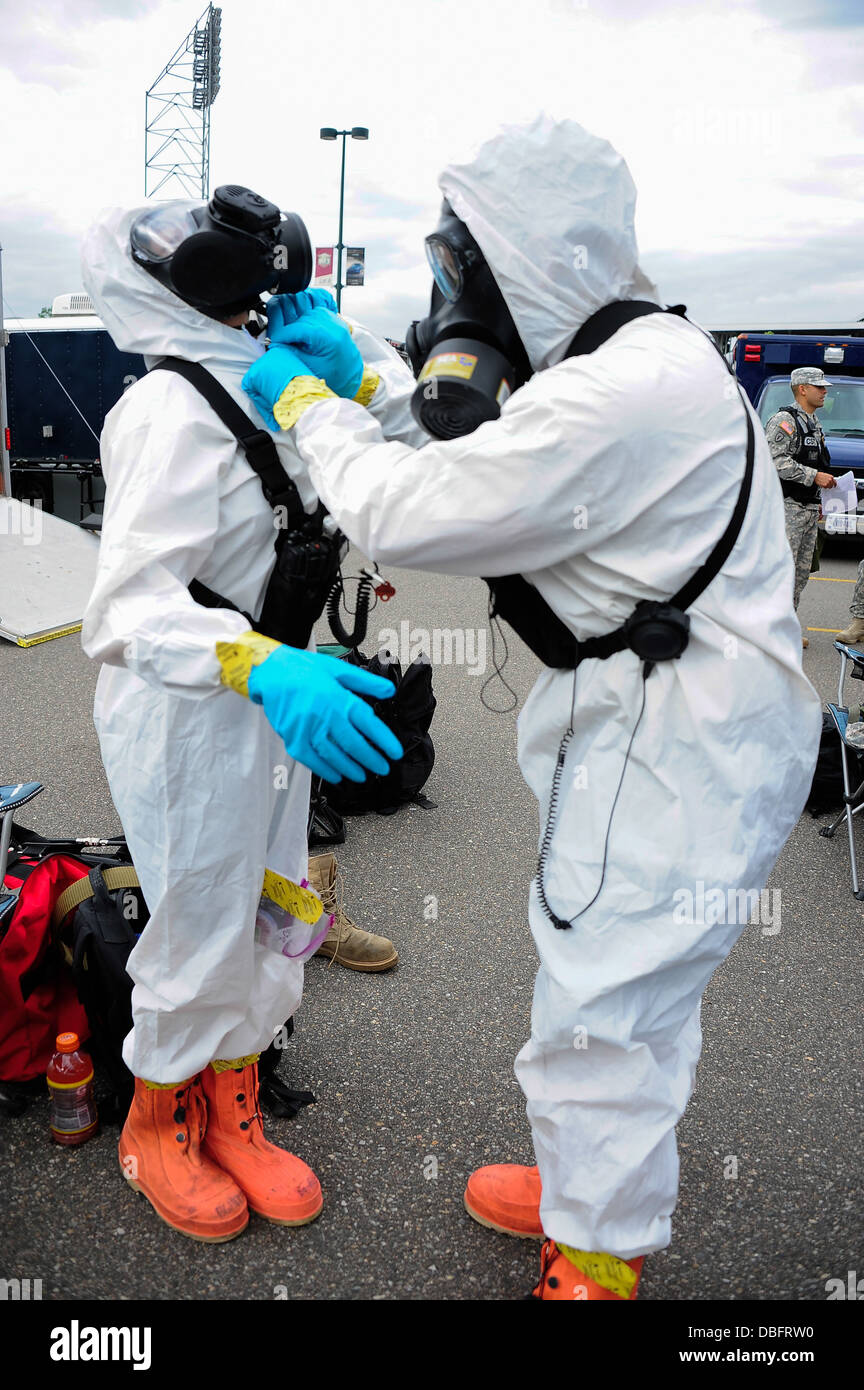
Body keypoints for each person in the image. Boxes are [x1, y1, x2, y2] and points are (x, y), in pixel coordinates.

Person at [242, 117, 822, 1298]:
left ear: (528, 258)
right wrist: (371, 380)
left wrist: (309, 403)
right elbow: (491, 455)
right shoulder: (634, 362)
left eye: (462, 263)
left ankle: (594, 1262)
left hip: (670, 756)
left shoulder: (619, 396)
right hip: (691, 733)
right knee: (636, 1001)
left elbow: (410, 511)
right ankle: (586, 1191)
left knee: (602, 1017)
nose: (451, 290)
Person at [79, 186, 407, 1242]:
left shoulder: (278, 380)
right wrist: (258, 666)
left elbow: (411, 448)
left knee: (274, 907)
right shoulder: (168, 409)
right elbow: (127, 609)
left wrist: (351, 363)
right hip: (191, 712)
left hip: (272, 703)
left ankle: (236, 1105)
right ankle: (155, 1121)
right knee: (198, 917)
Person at [764, 366, 836, 648]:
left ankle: (785, 628)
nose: (824, 391)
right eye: (819, 386)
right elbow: (773, 460)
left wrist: (820, 493)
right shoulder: (785, 421)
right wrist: (812, 476)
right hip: (787, 507)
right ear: (802, 389)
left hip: (807, 508)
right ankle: (769, 632)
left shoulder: (813, 422)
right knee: (781, 572)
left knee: (800, 574)